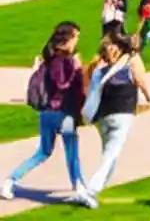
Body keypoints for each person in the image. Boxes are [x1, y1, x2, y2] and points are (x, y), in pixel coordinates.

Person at [1, 22, 86, 202]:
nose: (77, 41)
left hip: (48, 113)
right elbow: (63, 85)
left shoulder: (50, 59)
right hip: (62, 112)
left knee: (44, 152)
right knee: (71, 151)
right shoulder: (64, 61)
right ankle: (78, 185)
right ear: (67, 39)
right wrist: (78, 69)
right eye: (76, 37)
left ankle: (11, 180)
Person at [75, 30, 150, 209]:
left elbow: (88, 89)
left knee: (110, 155)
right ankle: (90, 191)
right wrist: (149, 97)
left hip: (102, 116)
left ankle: (94, 190)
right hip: (122, 113)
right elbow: (140, 80)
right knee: (111, 154)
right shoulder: (130, 61)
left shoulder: (98, 68)